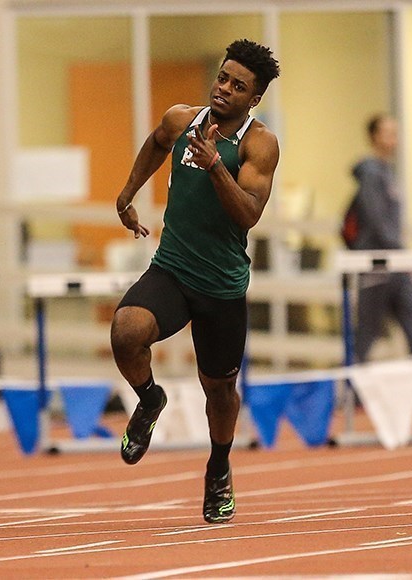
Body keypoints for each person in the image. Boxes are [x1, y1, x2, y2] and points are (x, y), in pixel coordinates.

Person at [110, 39, 280, 524]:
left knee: (219, 391)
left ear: (254, 98)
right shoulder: (182, 119)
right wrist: (127, 194)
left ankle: (219, 468)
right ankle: (150, 398)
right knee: (126, 332)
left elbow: (248, 213)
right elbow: (156, 143)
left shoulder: (257, 143)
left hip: (221, 287)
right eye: (223, 78)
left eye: (238, 86)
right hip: (172, 269)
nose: (225, 89)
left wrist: (214, 168)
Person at [349, 114, 412, 407]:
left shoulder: (388, 172)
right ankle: (351, 390)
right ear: (373, 137)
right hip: (378, 264)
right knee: (367, 329)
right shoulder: (370, 173)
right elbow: (376, 220)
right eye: (388, 132)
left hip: (396, 264)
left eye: (396, 132)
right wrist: (399, 253)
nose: (394, 138)